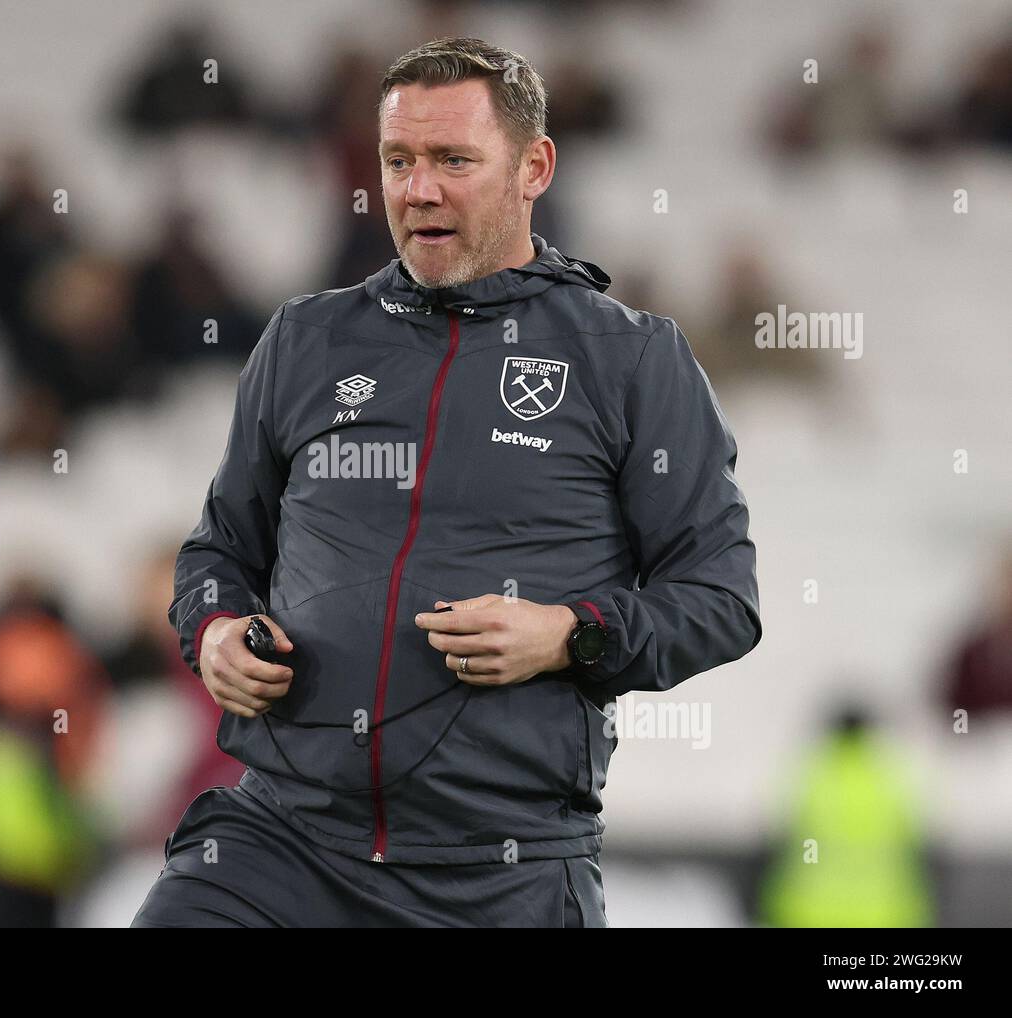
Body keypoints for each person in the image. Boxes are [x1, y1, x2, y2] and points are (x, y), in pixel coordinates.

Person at [132, 37, 761, 928]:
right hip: (283, 842)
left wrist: (569, 634)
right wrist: (217, 630)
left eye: (452, 160)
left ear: (533, 167)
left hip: (500, 869)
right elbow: (218, 551)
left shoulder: (630, 360)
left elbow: (721, 598)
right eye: (399, 160)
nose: (417, 188)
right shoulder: (307, 340)